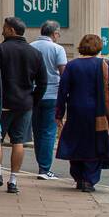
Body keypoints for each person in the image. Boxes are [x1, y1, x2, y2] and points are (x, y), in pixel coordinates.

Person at [56, 34, 109, 192]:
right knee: (95, 145)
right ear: (98, 47)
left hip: (75, 112)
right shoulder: (103, 64)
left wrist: (59, 114)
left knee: (76, 143)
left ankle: (78, 177)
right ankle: (88, 180)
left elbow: (62, 91)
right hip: (98, 113)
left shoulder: (72, 66)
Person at [0, 17, 47, 195]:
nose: (2, 31)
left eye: (5, 28)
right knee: (18, 142)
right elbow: (43, 82)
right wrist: (32, 100)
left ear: (12, 30)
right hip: (24, 105)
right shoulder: (34, 53)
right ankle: (13, 181)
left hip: (2, 104)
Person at [31, 21, 69, 179]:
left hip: (33, 94)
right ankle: (44, 169)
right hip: (53, 95)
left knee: (37, 131)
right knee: (48, 132)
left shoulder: (31, 46)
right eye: (58, 34)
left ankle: (42, 166)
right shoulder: (58, 49)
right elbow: (64, 73)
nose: (58, 37)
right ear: (54, 34)